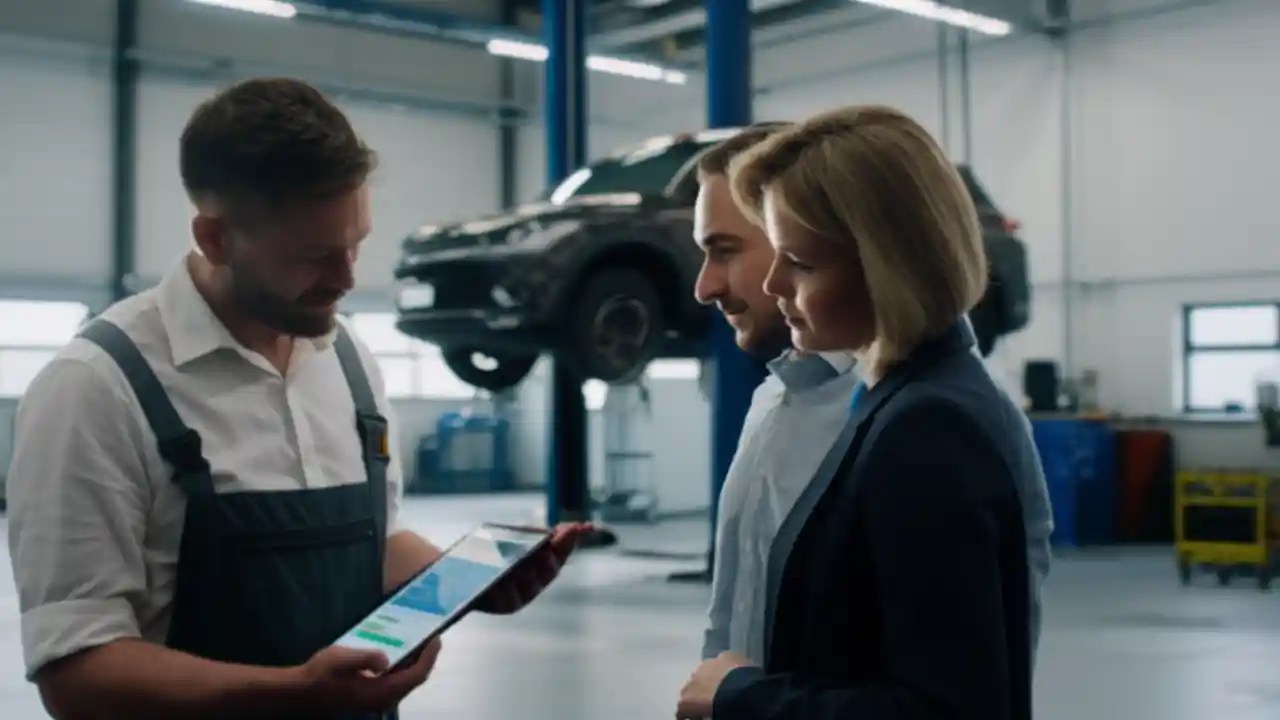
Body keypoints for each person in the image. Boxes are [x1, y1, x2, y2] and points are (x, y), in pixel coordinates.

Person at [5, 77, 591, 720]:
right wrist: (293, 694)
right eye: (314, 256)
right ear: (216, 238)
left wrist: (469, 580)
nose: (345, 280)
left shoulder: (347, 362)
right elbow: (76, 671)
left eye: (356, 243)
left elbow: (369, 544)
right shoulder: (95, 390)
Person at [677, 105, 1053, 720]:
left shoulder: (930, 426)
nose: (774, 284)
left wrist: (741, 697)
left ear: (884, 265)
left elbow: (950, 710)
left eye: (798, 262)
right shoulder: (893, 402)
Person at [690, 122, 862, 667]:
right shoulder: (773, 400)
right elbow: (731, 621)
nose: (705, 287)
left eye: (724, 251)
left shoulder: (912, 420)